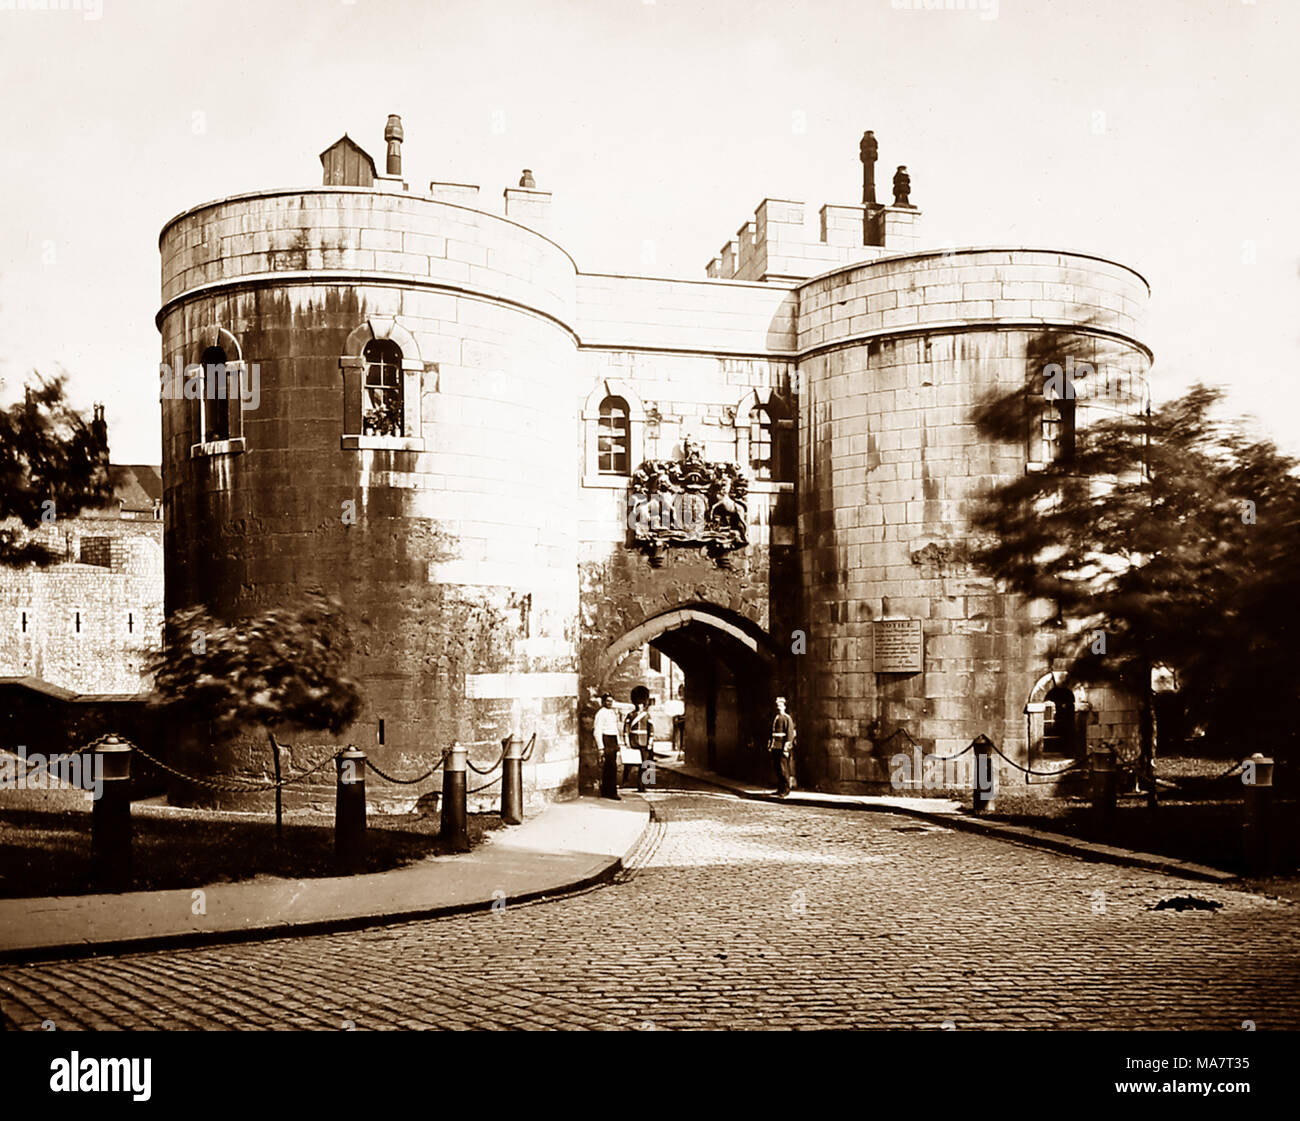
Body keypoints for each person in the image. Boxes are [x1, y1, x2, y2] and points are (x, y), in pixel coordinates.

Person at [593, 693, 623, 800]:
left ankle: (608, 791)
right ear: (603, 702)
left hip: (613, 740)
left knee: (612, 767)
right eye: (607, 701)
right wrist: (601, 747)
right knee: (610, 767)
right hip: (606, 740)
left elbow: (615, 729)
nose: (609, 703)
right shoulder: (600, 714)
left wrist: (618, 743)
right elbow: (597, 731)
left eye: (611, 701)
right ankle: (610, 792)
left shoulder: (612, 712)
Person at [623, 693, 654, 793]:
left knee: (644, 764)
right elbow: (626, 729)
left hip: (644, 742)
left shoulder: (647, 715)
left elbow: (651, 730)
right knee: (629, 764)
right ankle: (625, 782)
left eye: (641, 703)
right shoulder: (630, 715)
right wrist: (627, 741)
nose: (639, 705)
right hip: (633, 741)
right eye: (638, 703)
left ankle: (642, 786)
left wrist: (650, 742)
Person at [768, 695, 796, 797]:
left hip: (782, 747)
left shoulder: (787, 718)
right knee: (777, 769)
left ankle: (786, 789)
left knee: (783, 769)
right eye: (777, 704)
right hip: (775, 746)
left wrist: (786, 748)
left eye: (780, 704)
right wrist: (770, 745)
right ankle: (780, 788)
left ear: (784, 706)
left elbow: (789, 734)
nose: (778, 706)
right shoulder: (776, 717)